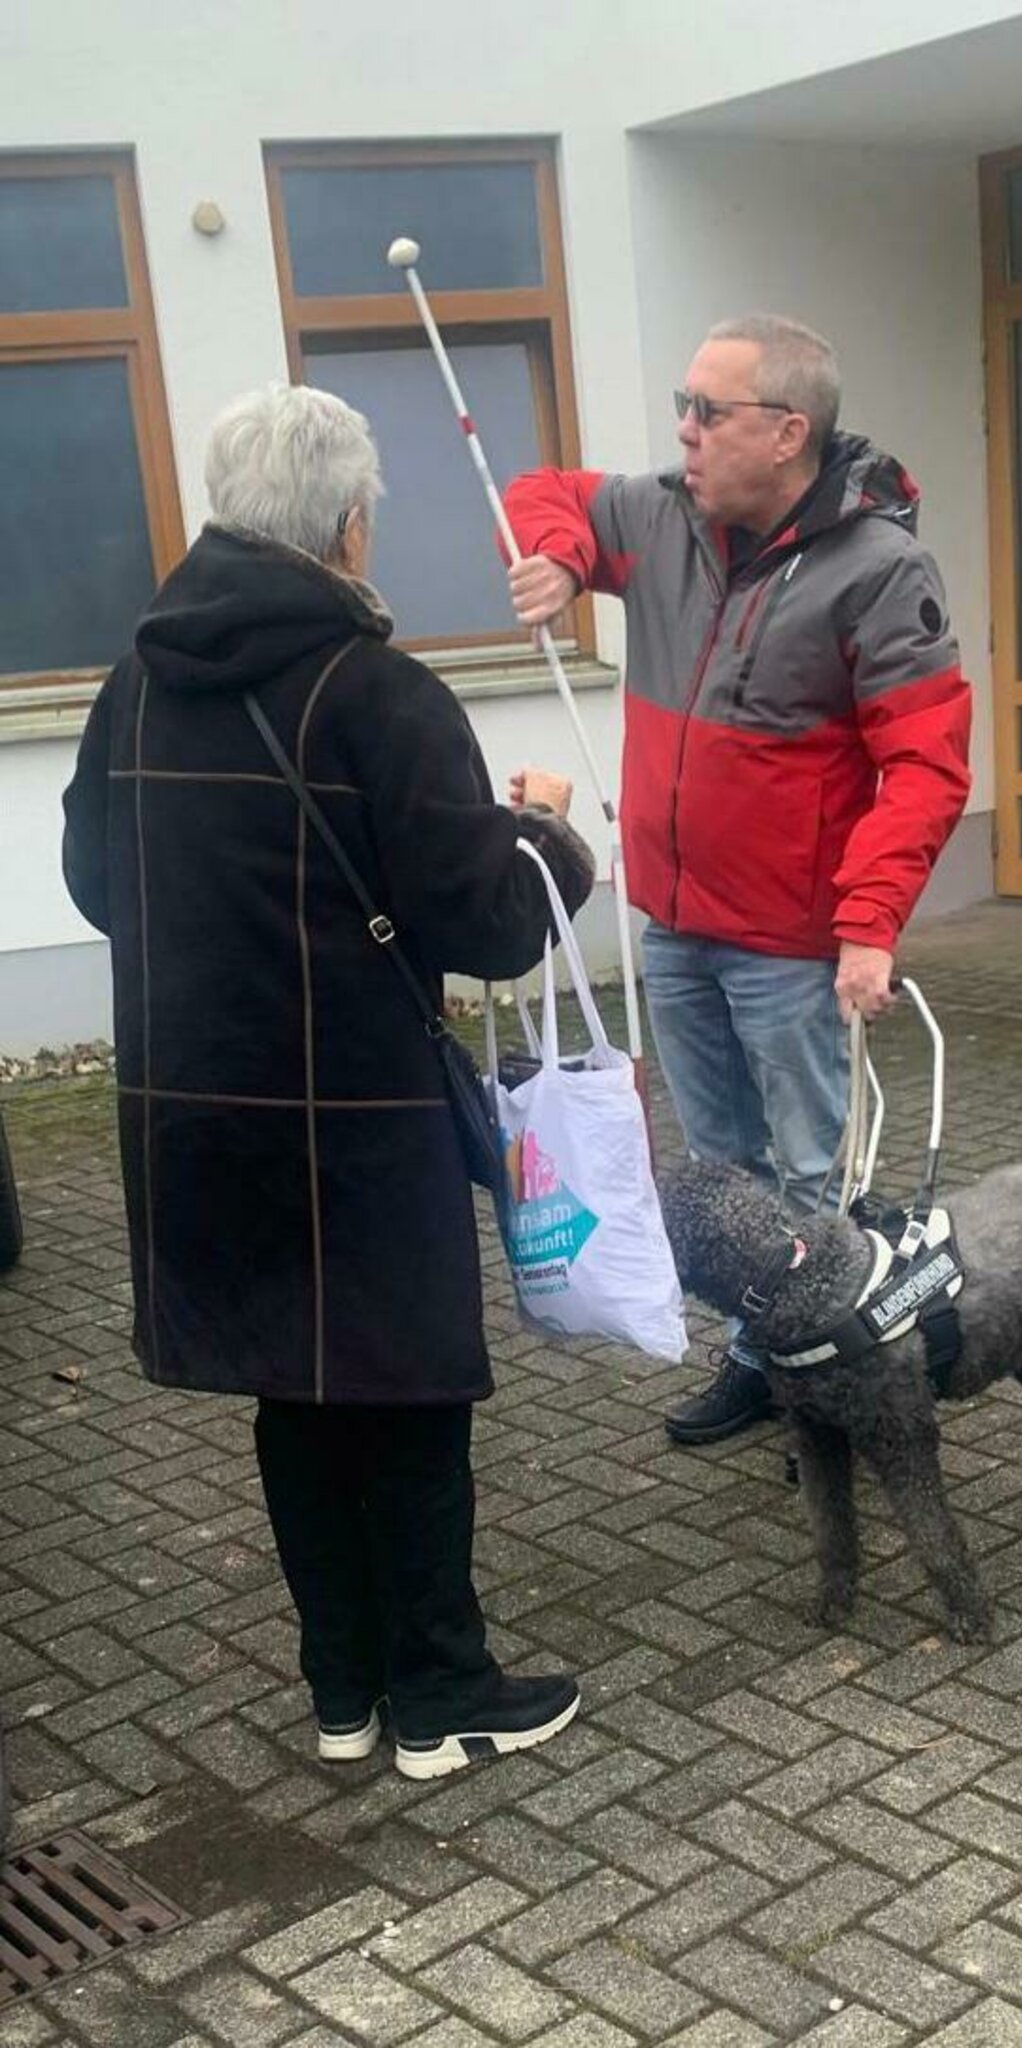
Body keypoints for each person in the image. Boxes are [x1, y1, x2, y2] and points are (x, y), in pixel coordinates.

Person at [62, 384, 593, 1780]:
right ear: (350, 522)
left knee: (290, 1393)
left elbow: (91, 879)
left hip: (196, 1111)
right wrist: (546, 834)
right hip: (358, 1115)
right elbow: (486, 925)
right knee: (405, 1392)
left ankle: (342, 1692)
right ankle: (441, 1692)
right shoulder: (379, 692)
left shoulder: (134, 679)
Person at [504, 314, 972, 1444]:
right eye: (683, 406)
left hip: (787, 941)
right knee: (719, 1170)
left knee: (809, 1170)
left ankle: (834, 1371)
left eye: (710, 412)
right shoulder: (666, 515)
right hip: (674, 921)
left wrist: (867, 923)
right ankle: (761, 1357)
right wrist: (561, 559)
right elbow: (540, 487)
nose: (686, 431)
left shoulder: (880, 569)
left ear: (788, 432)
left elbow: (924, 765)